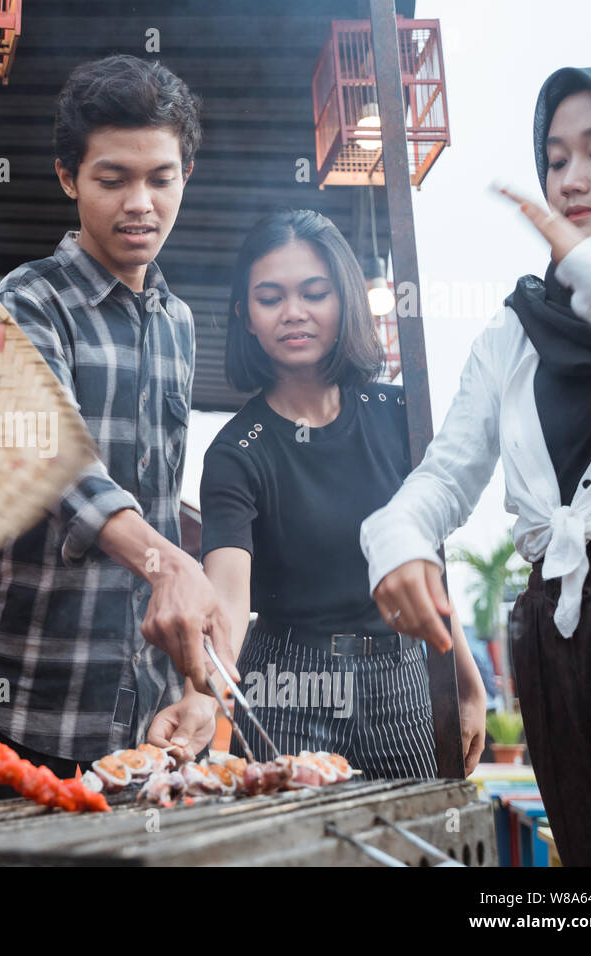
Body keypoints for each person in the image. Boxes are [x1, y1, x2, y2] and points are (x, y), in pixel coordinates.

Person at [362, 60, 591, 864]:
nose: (572, 178)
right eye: (555, 159)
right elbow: (447, 475)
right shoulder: (515, 333)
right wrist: (399, 538)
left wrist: (590, 267)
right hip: (554, 633)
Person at [0, 55, 235, 799]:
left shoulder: (178, 323)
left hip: (140, 708)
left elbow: (166, 499)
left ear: (187, 175)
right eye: (113, 179)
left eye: (160, 178)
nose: (139, 203)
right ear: (68, 177)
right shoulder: (25, 300)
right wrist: (170, 564)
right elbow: (55, 455)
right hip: (26, 698)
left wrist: (193, 683)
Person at [193, 210, 485, 778]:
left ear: (345, 301)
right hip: (284, 682)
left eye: (315, 293)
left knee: (413, 840)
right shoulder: (235, 451)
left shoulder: (401, 417)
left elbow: (432, 570)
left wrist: (466, 683)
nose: (294, 312)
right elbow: (227, 599)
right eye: (270, 297)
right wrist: (205, 693)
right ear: (245, 318)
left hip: (402, 675)